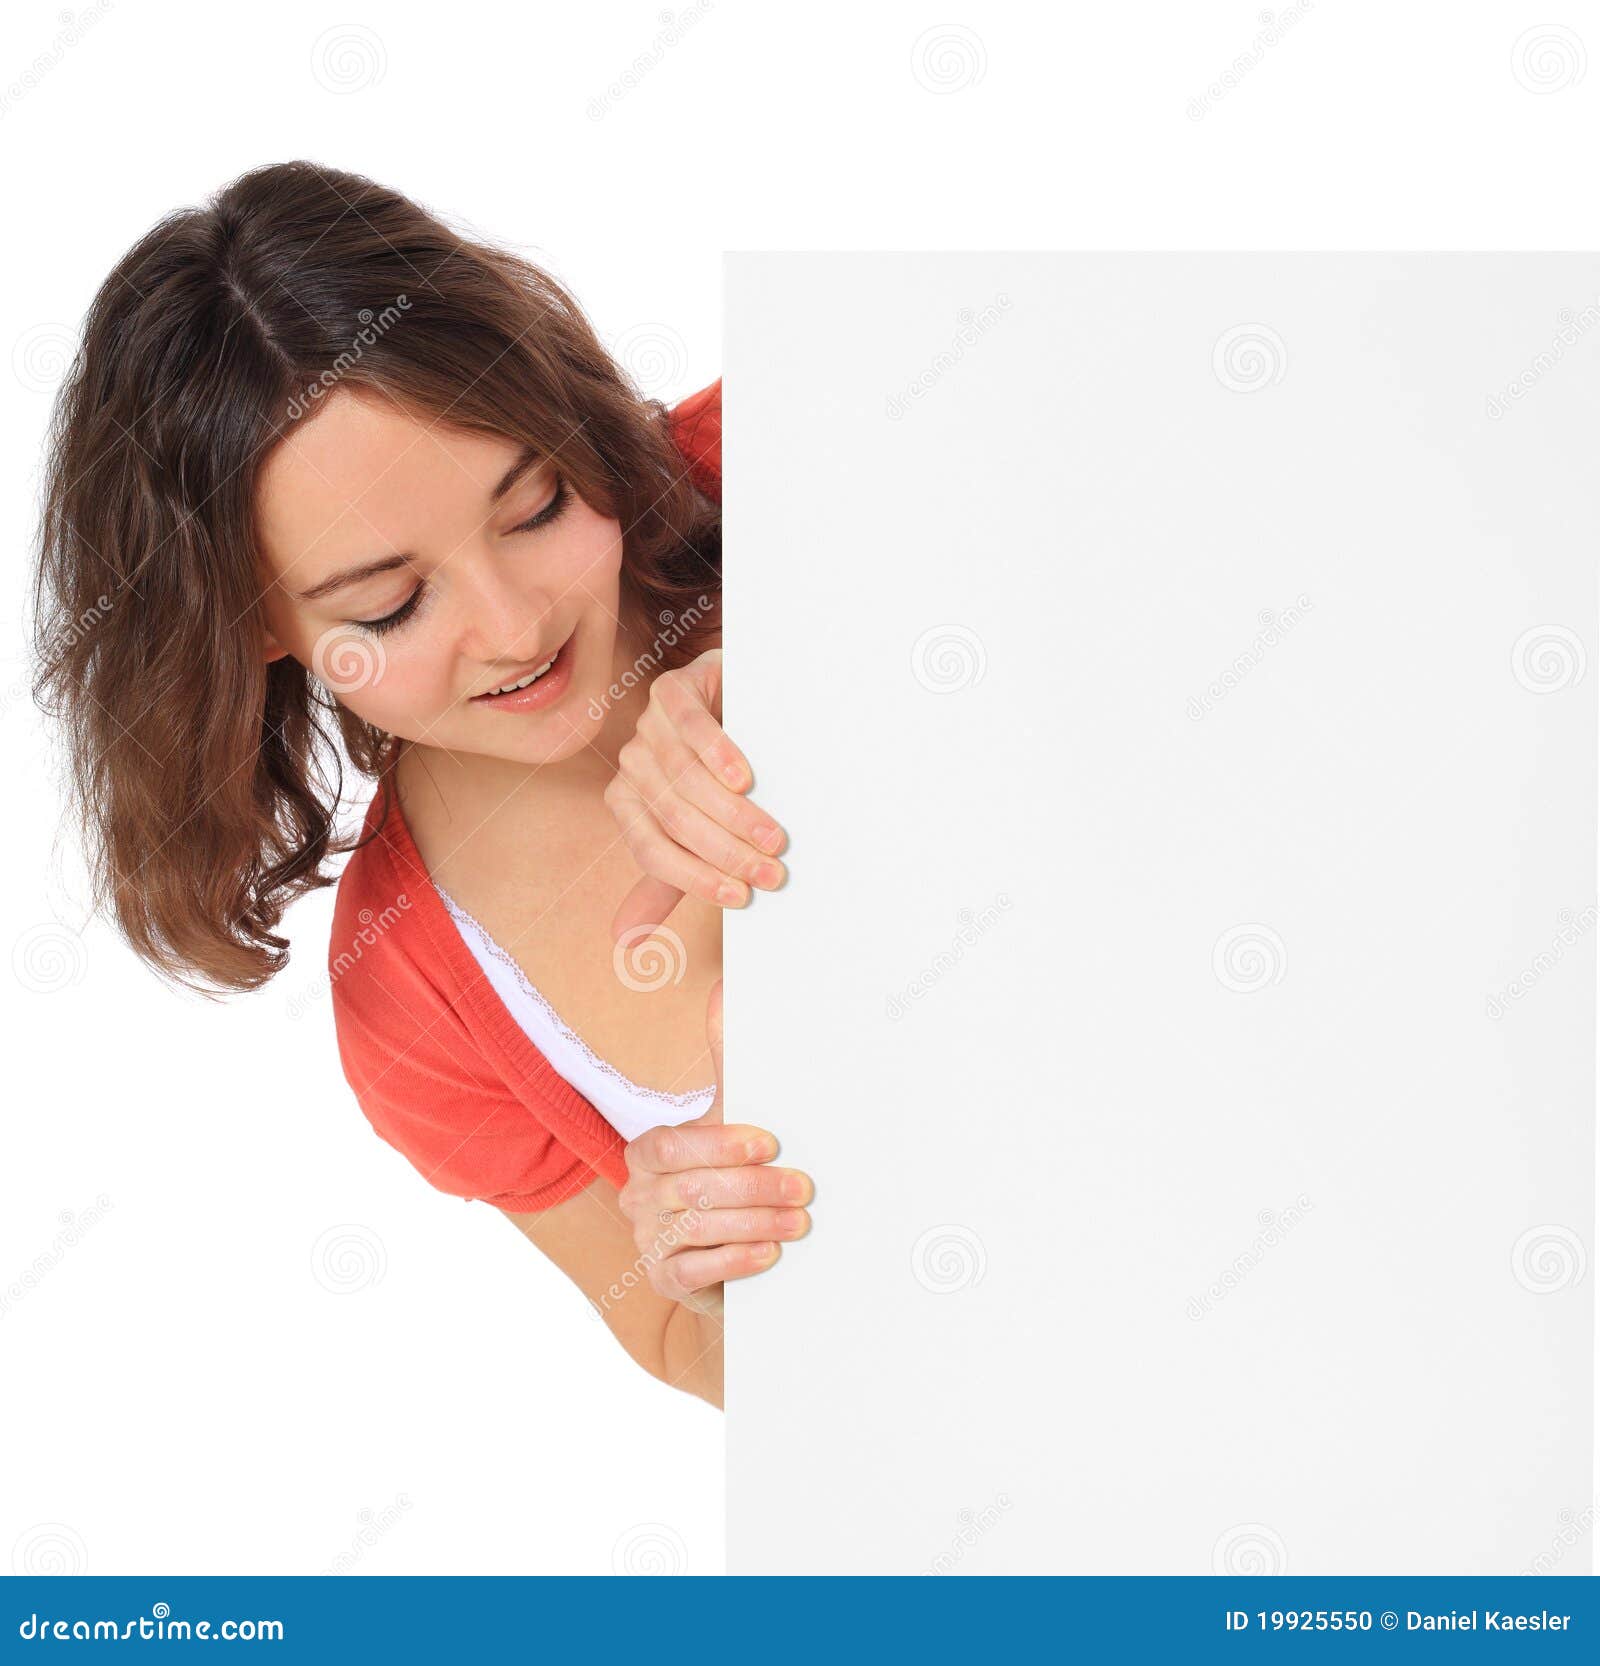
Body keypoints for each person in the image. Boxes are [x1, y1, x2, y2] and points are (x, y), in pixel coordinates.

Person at [31, 160, 813, 1410]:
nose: (513, 626)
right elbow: (686, 1349)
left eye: (539, 502)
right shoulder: (415, 1004)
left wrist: (820, 667)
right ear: (257, 625)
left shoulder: (796, 455)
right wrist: (728, 1284)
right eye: (391, 605)